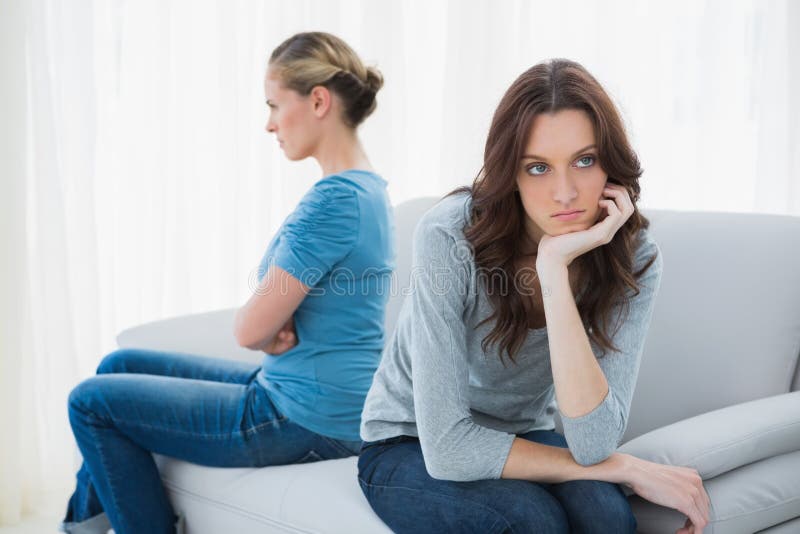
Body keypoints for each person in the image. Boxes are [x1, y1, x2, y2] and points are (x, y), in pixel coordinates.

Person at [358, 58, 710, 534]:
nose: (565, 193)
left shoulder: (636, 258)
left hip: (523, 432)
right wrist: (623, 468)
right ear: (511, 174)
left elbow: (592, 443)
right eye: (538, 167)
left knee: (607, 518)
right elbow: (447, 448)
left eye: (584, 161)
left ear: (611, 165)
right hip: (409, 442)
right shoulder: (449, 235)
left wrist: (553, 271)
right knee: (530, 520)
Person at [61, 31, 393, 534]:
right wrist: (268, 324)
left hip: (304, 416)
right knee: (117, 365)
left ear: (318, 101)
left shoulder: (333, 203)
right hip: (326, 400)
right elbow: (270, 320)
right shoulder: (368, 190)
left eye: (275, 105)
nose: (269, 123)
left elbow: (249, 330)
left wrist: (264, 326)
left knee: (89, 402)